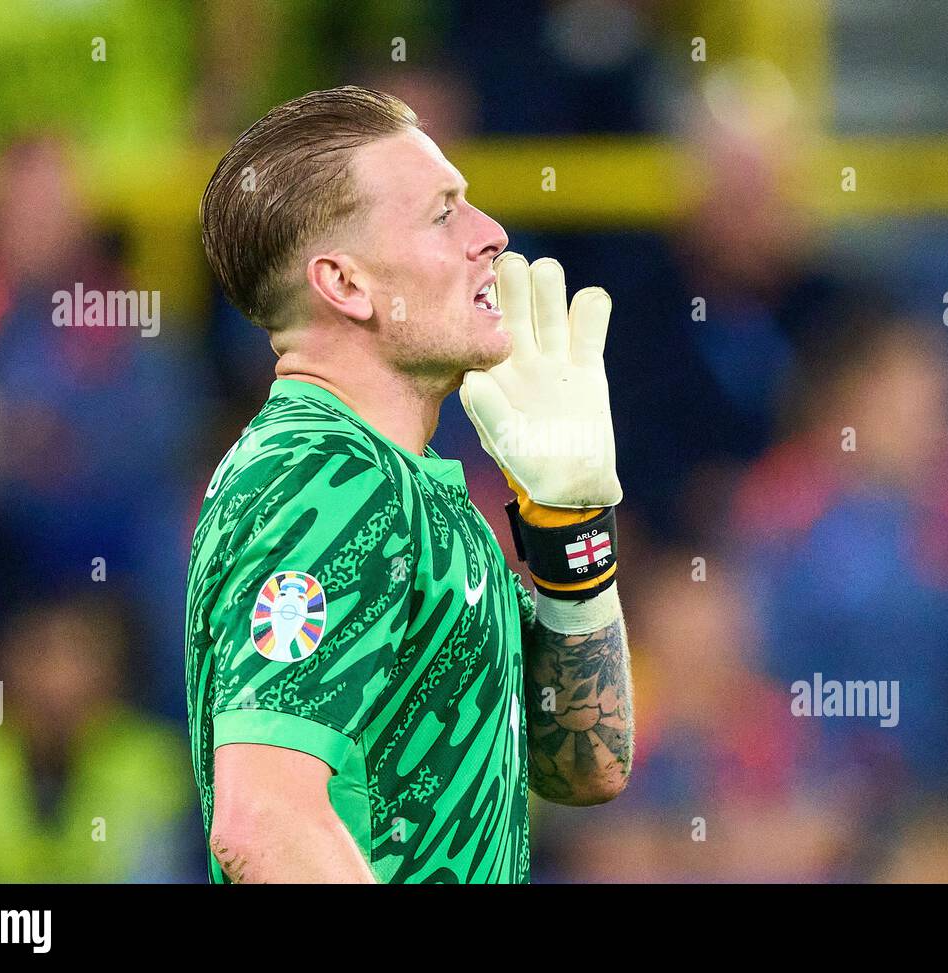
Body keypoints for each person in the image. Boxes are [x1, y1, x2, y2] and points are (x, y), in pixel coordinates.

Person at [186, 86, 634, 883]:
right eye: (443, 214)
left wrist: (569, 531)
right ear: (345, 284)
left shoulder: (398, 484)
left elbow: (584, 764)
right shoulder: (322, 482)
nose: (492, 235)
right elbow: (263, 821)